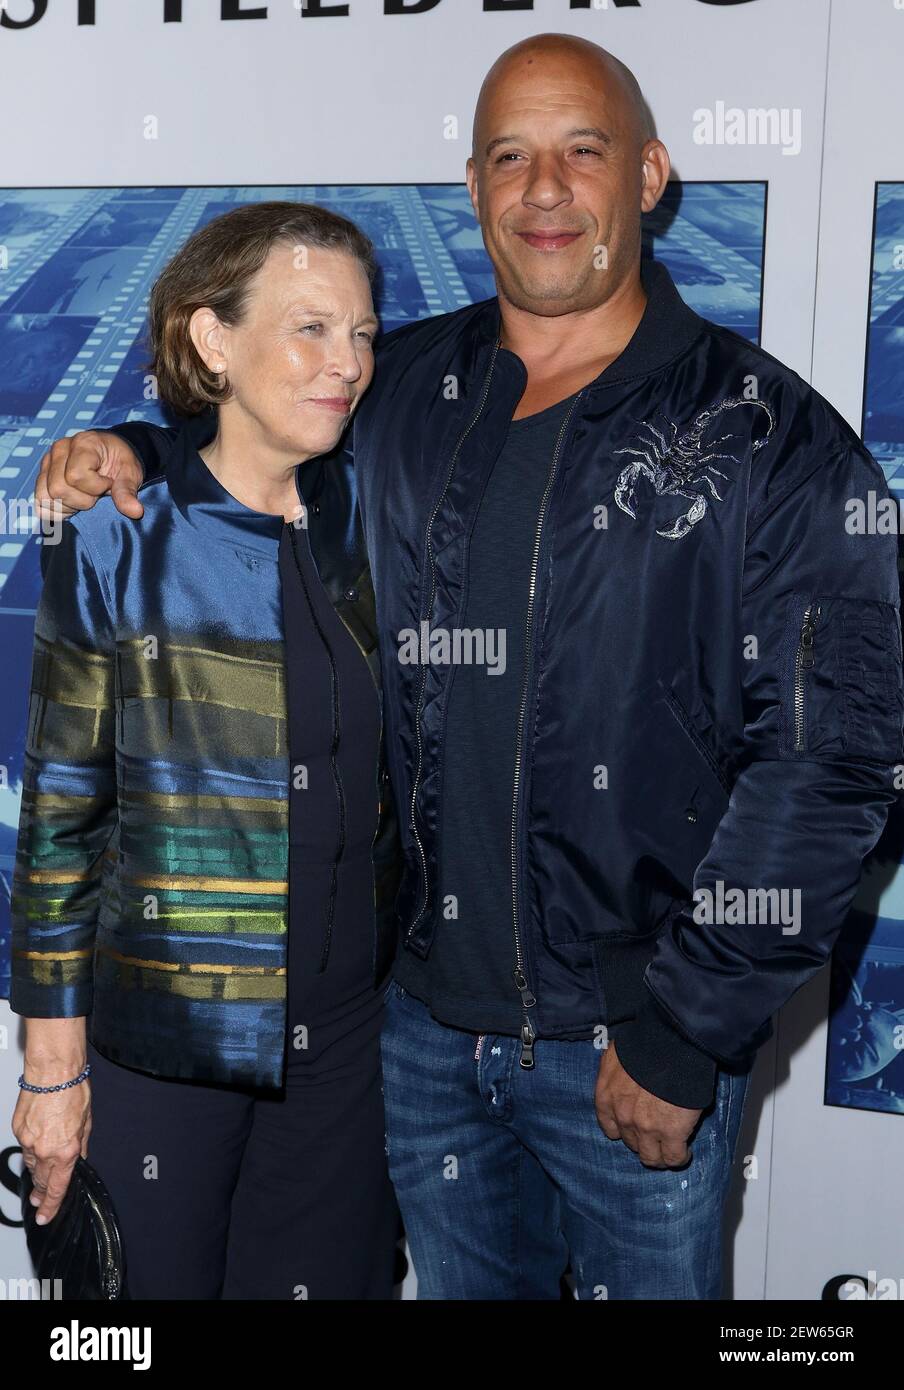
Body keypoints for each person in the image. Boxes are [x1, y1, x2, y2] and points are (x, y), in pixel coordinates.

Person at [35, 34, 904, 1301]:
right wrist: (125, 450)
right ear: (473, 181)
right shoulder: (398, 391)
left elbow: (836, 760)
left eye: (582, 150)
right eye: (510, 155)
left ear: (651, 174)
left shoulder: (773, 442)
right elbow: (253, 450)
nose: (543, 187)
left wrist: (686, 1027)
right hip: (416, 1044)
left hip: (629, 1051)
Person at [11, 201, 401, 1300]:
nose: (348, 363)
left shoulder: (373, 517)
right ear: (210, 340)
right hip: (164, 1050)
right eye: (311, 328)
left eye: (363, 333)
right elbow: (58, 826)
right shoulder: (118, 540)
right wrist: (53, 1073)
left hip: (347, 1050)